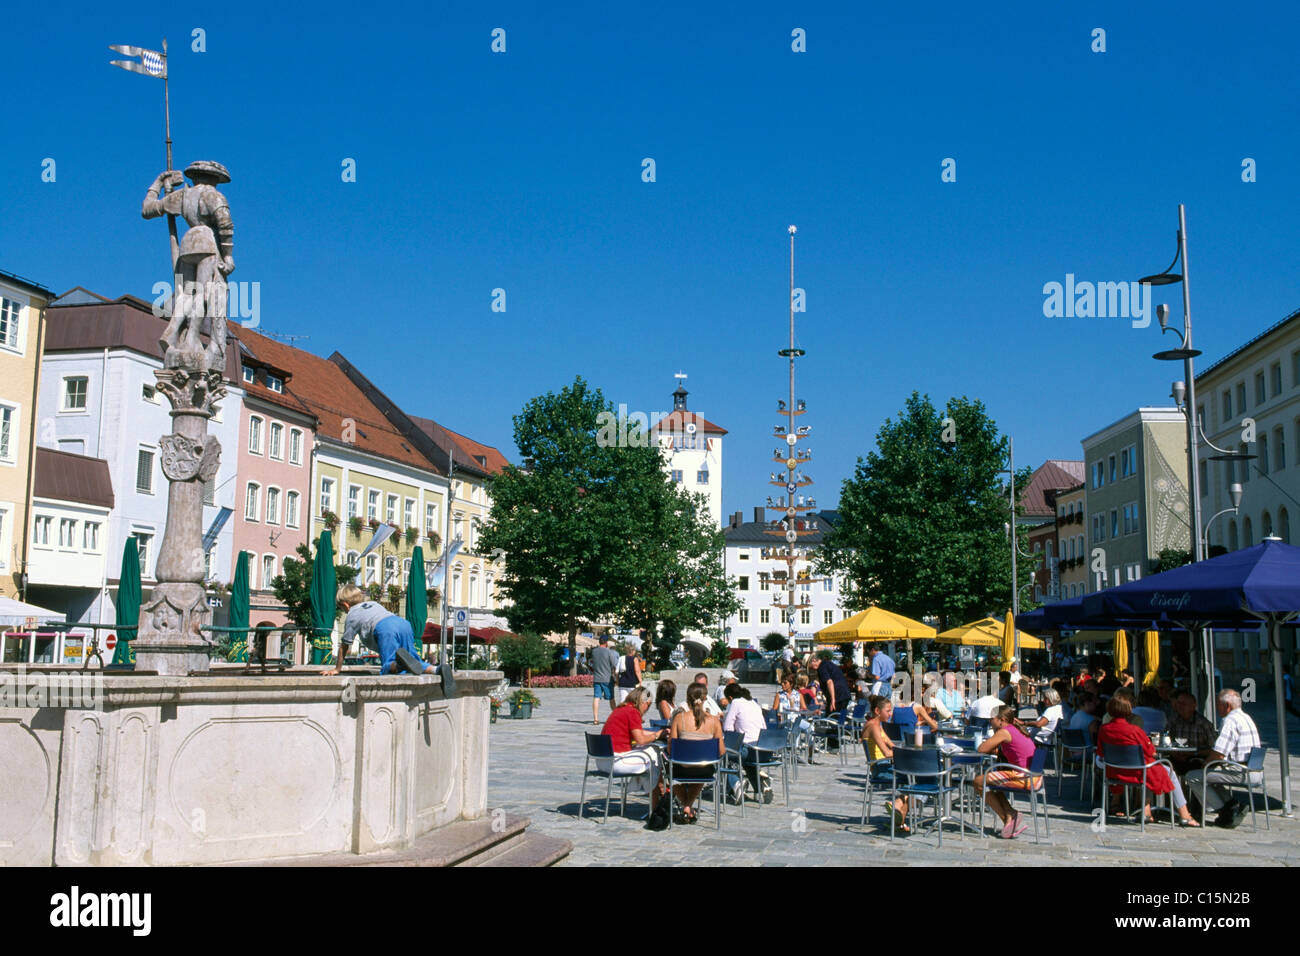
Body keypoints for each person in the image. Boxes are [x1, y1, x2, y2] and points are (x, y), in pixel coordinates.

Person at [1097, 695, 1199, 827]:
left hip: (1114, 771)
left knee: (1146, 770)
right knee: (1169, 772)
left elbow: (1101, 751)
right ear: (1128, 710)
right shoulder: (1135, 730)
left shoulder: (1104, 729)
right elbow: (1151, 751)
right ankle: (1185, 815)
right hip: (1137, 772)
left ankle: (1146, 813)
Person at [1185, 689, 1263, 828]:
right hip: (1255, 770)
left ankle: (1225, 811)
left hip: (1241, 771)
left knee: (1193, 776)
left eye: (1218, 704)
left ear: (1227, 705)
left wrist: (1205, 764)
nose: (1216, 708)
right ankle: (1233, 805)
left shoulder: (1230, 721)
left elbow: (1219, 753)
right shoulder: (1247, 717)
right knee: (1211, 776)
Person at [322, 585, 433, 677]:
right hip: (403, 624)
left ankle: (400, 664)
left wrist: (337, 669)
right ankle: (436, 669)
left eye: (341, 608)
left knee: (387, 667)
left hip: (385, 629)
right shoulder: (373, 604)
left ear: (345, 604)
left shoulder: (352, 615)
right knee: (415, 662)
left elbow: (344, 645)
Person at [971, 705, 1041, 838]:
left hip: (1024, 777)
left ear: (1001, 720)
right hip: (1034, 776)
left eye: (992, 719)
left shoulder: (1003, 732)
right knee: (994, 783)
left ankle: (1008, 817)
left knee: (979, 781)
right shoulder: (1014, 729)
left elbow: (981, 749)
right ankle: (1010, 815)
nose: (990, 722)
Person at [599, 687, 669, 815]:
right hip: (615, 762)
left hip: (602, 759)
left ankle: (652, 791)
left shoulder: (621, 709)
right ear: (644, 703)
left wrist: (656, 734)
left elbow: (638, 733)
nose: (646, 710)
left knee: (650, 754)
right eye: (648, 706)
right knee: (654, 758)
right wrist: (657, 735)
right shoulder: (633, 712)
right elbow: (641, 739)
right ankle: (656, 803)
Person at [667, 684, 725, 823]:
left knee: (668, 769)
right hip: (705, 770)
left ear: (688, 699)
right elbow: (721, 751)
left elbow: (671, 748)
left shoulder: (679, 719)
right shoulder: (714, 721)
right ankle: (688, 806)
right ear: (705, 699)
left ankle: (686, 805)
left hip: (682, 769)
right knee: (701, 763)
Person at [861, 695, 911, 834]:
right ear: (877, 711)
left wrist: (903, 750)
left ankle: (898, 818)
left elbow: (892, 745)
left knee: (916, 777)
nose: (891, 714)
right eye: (888, 711)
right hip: (879, 768)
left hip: (886, 765)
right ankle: (897, 809)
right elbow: (887, 752)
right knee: (916, 779)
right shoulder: (873, 727)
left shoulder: (878, 725)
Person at [722, 682, 771, 802]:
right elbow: (763, 727)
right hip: (764, 749)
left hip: (749, 749)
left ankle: (736, 784)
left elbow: (728, 728)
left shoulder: (735, 702)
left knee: (724, 754)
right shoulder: (753, 703)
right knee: (748, 763)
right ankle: (760, 786)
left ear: (730, 698)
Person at [589, 635, 620, 724]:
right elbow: (614, 664)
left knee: (596, 697)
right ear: (606, 643)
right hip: (607, 678)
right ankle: (616, 717)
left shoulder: (594, 651)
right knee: (611, 699)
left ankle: (595, 719)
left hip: (597, 678)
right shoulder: (609, 652)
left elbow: (592, 663)